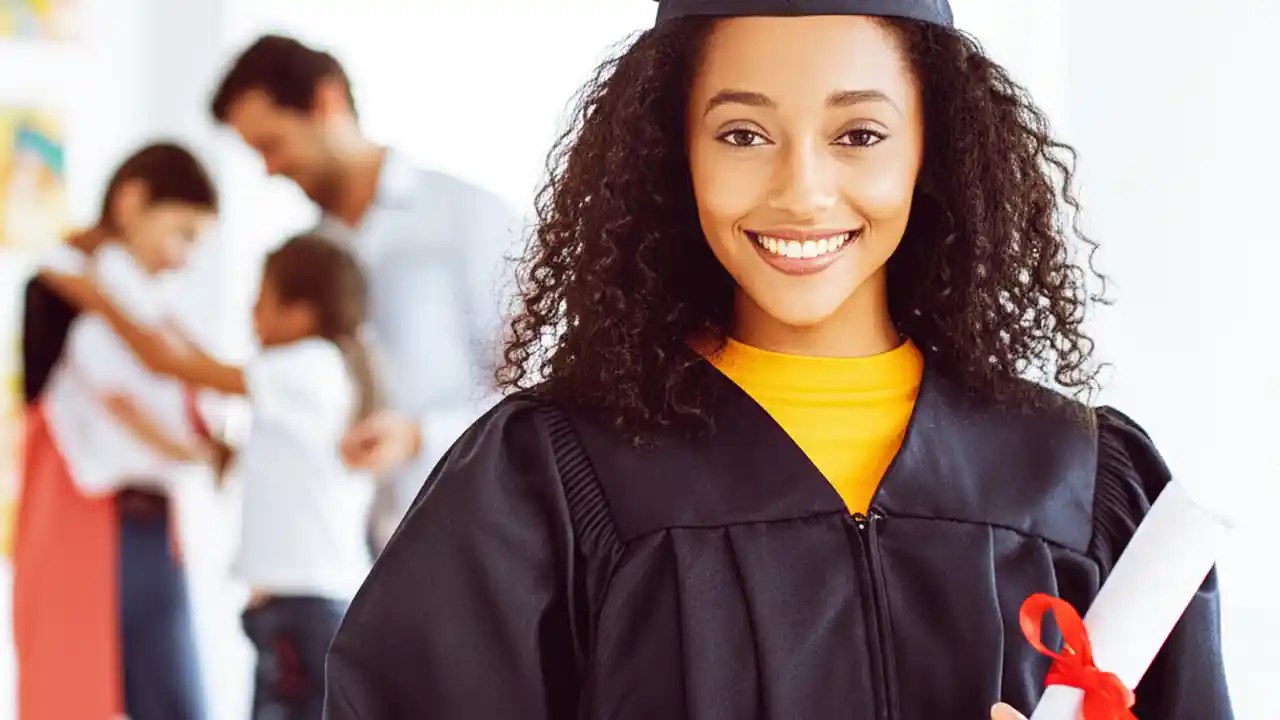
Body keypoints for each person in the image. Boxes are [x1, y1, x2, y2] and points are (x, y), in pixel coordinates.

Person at [323, 1, 1234, 719]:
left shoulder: (1078, 482)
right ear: (673, 151)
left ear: (932, 148)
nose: (801, 191)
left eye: (860, 135)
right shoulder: (548, 481)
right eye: (742, 134)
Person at [209, 35, 521, 549]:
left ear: (326, 103)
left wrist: (421, 437)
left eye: (271, 145)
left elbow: (538, 382)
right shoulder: (306, 259)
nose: (269, 169)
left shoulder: (469, 218)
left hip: (470, 541)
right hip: (342, 561)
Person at [62, 234, 379, 720]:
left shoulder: (307, 367)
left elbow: (170, 363)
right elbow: (237, 450)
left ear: (301, 312)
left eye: (261, 302)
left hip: (303, 610)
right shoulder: (309, 380)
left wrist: (92, 294)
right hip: (295, 612)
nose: (252, 316)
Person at [13, 142, 218, 720]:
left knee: (158, 693)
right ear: (132, 202)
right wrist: (194, 449)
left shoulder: (137, 301)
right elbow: (130, 393)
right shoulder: (73, 290)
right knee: (86, 692)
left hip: (145, 522)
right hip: (93, 513)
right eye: (182, 233)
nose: (184, 258)